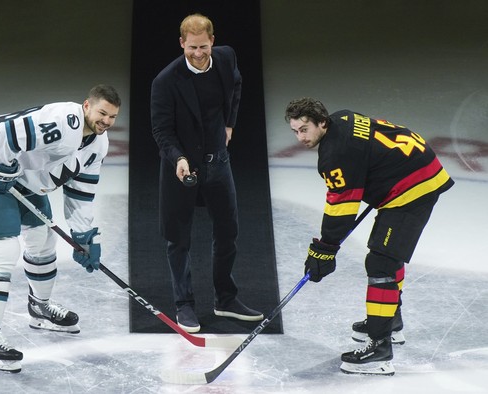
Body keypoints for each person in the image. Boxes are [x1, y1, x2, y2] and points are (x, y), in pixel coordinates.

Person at [0, 84, 121, 373]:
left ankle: (39, 307)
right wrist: (1, 168)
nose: (106, 121)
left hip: (23, 177)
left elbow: (81, 192)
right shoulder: (63, 122)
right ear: (86, 106)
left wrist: (85, 237)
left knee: (44, 239)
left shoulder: (98, 144)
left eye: (112, 117)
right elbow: (10, 134)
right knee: (4, 249)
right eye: (102, 113)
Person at [284, 97, 454, 376]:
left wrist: (324, 249)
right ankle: (389, 321)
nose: (300, 137)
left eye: (304, 129)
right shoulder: (343, 118)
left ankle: (379, 348)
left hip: (414, 187)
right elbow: (368, 157)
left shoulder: (334, 154)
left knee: (381, 262)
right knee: (387, 254)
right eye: (295, 131)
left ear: (322, 122)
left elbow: (342, 208)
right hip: (415, 169)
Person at [150, 13, 263, 333]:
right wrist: (179, 159)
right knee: (178, 238)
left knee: (228, 231)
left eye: (203, 46)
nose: (198, 53)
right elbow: (161, 131)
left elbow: (237, 86)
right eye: (191, 47)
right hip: (181, 166)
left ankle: (225, 299)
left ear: (212, 41)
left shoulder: (226, 58)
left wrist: (229, 124)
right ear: (181, 43)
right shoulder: (165, 81)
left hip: (218, 162)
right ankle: (184, 305)